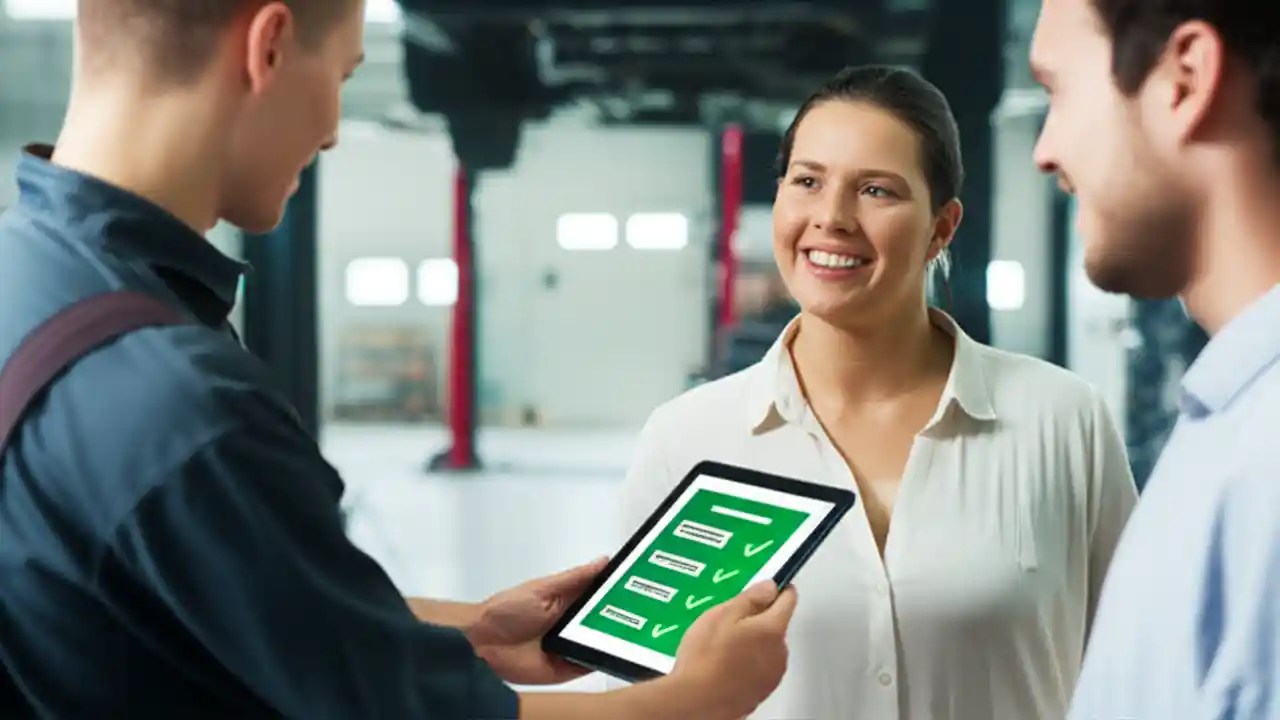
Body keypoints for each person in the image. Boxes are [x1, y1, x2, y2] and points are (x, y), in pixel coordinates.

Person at [0, 1, 799, 718]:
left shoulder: (29, 277)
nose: (334, 129)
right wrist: (698, 699)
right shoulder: (178, 399)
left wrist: (474, 627)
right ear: (270, 45)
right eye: (341, 74)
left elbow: (216, 591)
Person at [611, 65, 1140, 720]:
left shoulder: (1061, 420)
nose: (831, 218)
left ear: (942, 228)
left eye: (876, 191)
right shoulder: (687, 439)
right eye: (807, 181)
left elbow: (1142, 668)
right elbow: (641, 699)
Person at [1029, 1, 1280, 717]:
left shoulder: (1265, 463)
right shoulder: (1229, 426)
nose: (1046, 150)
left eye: (1058, 90)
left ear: (1184, 79)